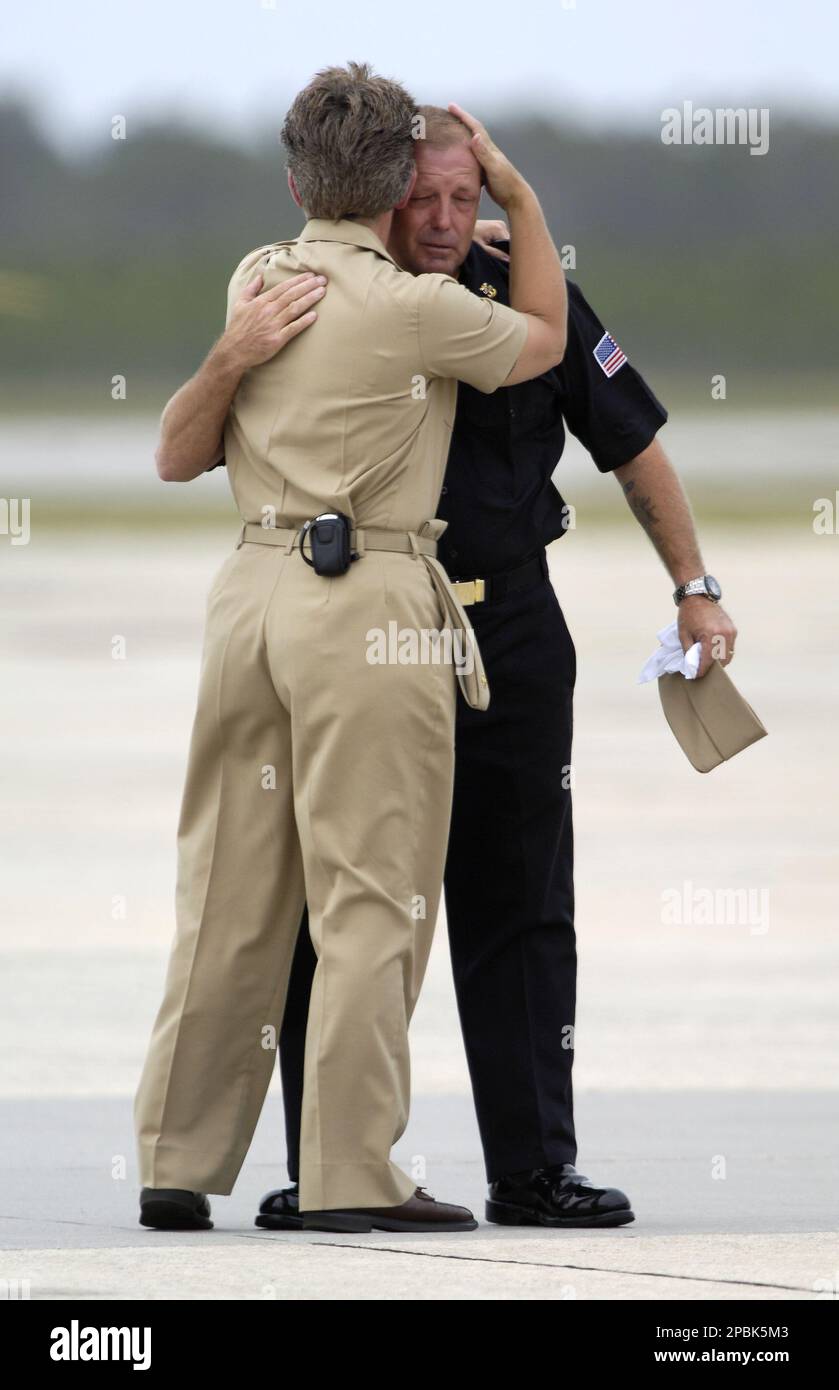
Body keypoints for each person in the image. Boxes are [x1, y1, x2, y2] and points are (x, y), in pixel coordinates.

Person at [249, 106, 739, 1232]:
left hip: (508, 624)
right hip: (370, 628)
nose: (436, 219)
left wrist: (693, 585)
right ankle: (325, 1165)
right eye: (415, 196)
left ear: (491, 195)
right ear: (373, 193)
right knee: (340, 901)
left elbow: (630, 441)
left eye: (460, 197)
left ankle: (533, 1170)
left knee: (520, 907)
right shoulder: (323, 293)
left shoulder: (531, 295)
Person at [133, 67, 569, 1234]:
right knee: (371, 897)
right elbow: (538, 340)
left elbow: (180, 456)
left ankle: (176, 1160)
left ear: (295, 182)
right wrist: (517, 209)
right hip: (363, 599)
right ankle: (350, 1172)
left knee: (226, 890)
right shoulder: (413, 309)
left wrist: (232, 355)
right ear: (392, 196)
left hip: (248, 595)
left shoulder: (256, 281)